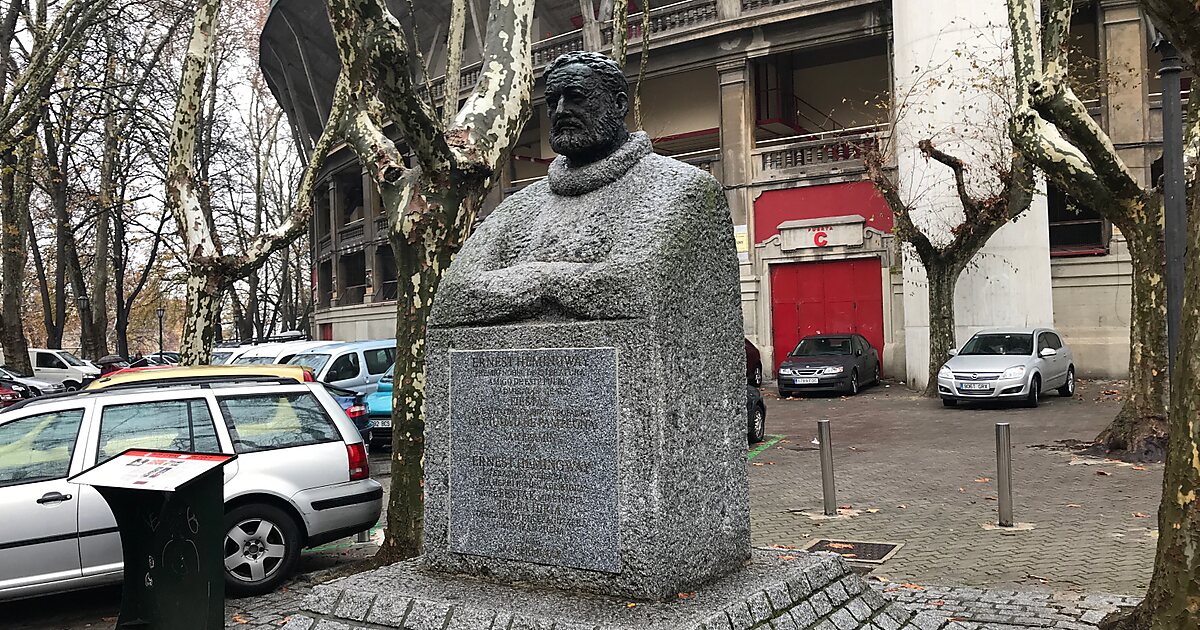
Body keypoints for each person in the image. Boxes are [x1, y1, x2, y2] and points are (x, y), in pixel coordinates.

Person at [430, 51, 733, 328]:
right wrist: (559, 285)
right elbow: (453, 295)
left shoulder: (678, 189)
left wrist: (536, 277)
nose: (561, 110)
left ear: (618, 104)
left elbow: (632, 285)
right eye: (552, 102)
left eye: (576, 96)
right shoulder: (517, 208)